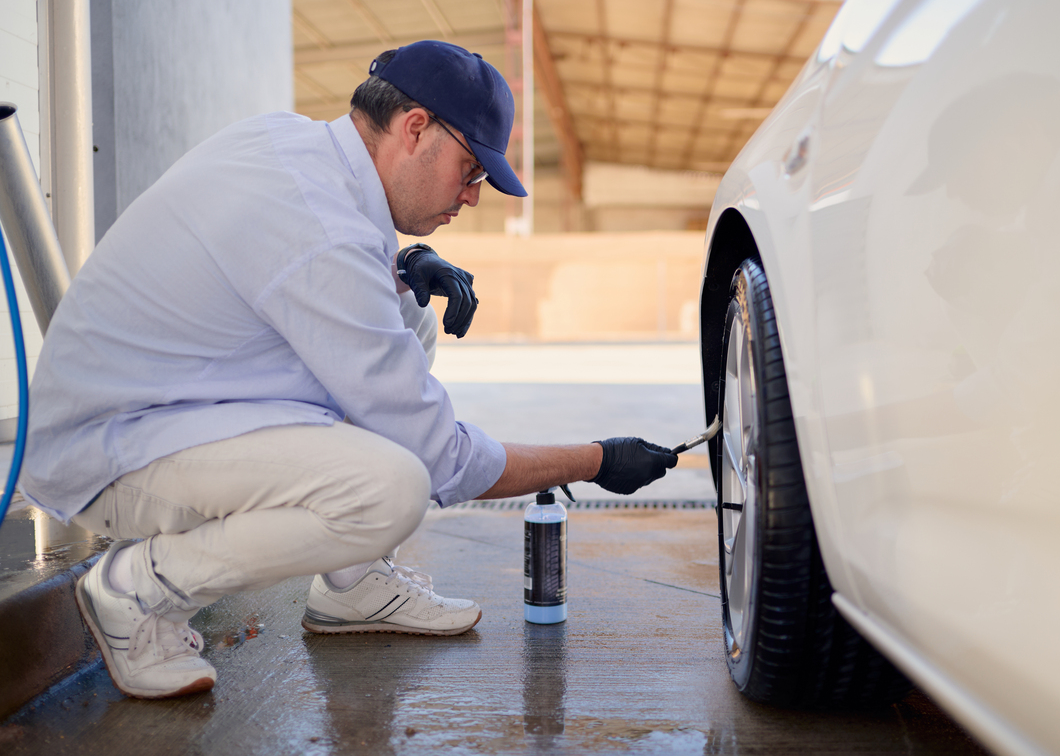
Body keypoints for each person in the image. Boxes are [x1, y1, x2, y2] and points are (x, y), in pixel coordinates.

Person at [17, 41, 678, 700]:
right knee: (389, 490)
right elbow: (440, 457)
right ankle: (138, 592)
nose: (472, 198)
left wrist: (398, 271)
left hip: (160, 405)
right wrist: (593, 460)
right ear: (415, 127)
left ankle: (352, 581)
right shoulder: (320, 229)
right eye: (471, 171)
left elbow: (287, 279)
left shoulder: (293, 147)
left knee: (411, 312)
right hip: (112, 453)